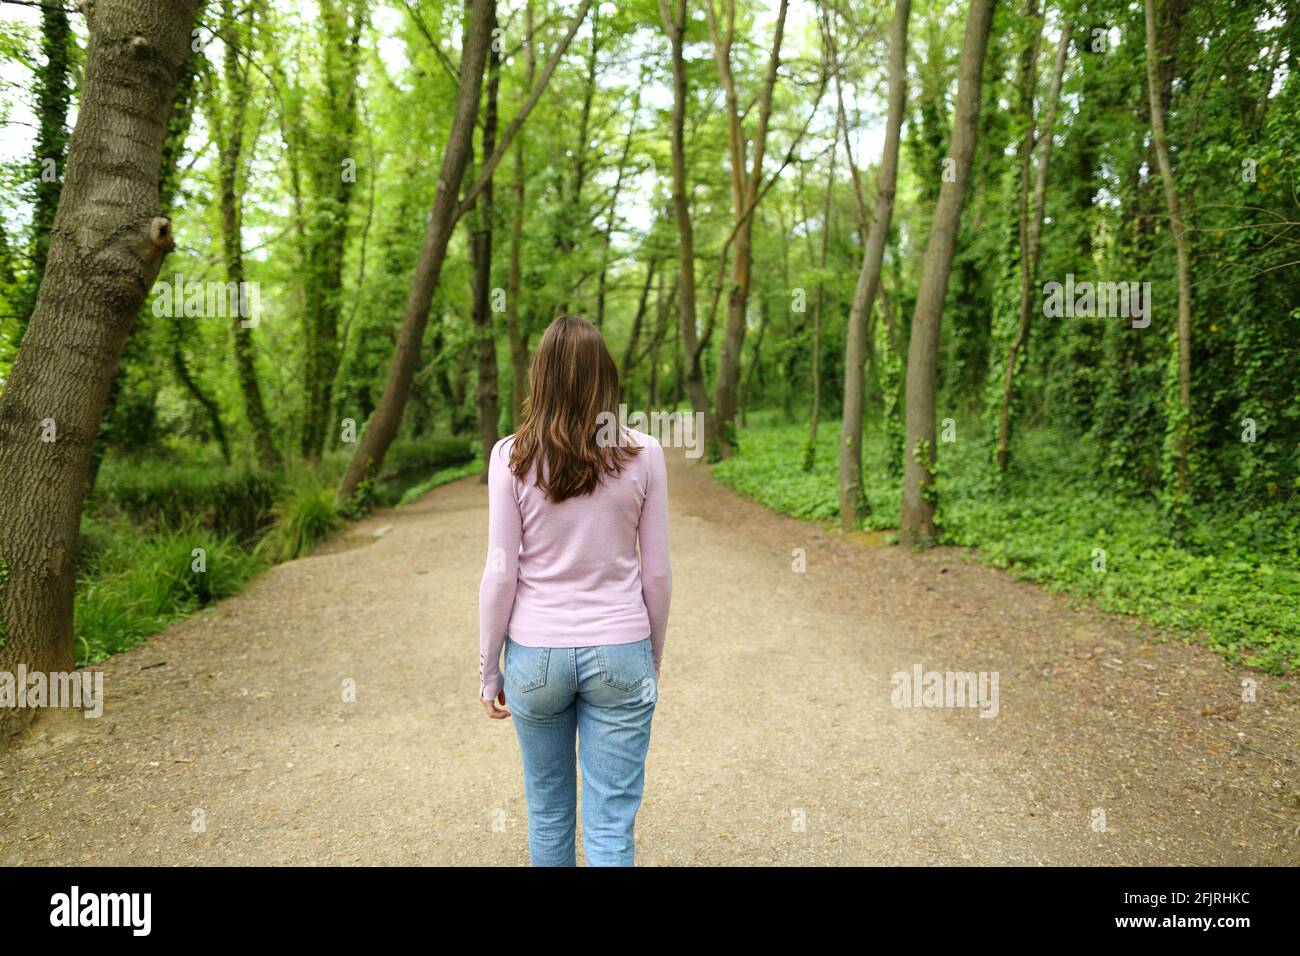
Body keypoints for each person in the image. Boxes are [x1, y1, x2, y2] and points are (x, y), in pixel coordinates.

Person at [478, 314, 672, 867]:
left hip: (536, 658)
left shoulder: (510, 457)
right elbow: (655, 571)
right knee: (612, 820)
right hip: (621, 650)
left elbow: (499, 572)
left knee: (548, 810)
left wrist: (490, 669)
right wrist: (650, 655)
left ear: (540, 379)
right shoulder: (643, 454)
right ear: (605, 378)